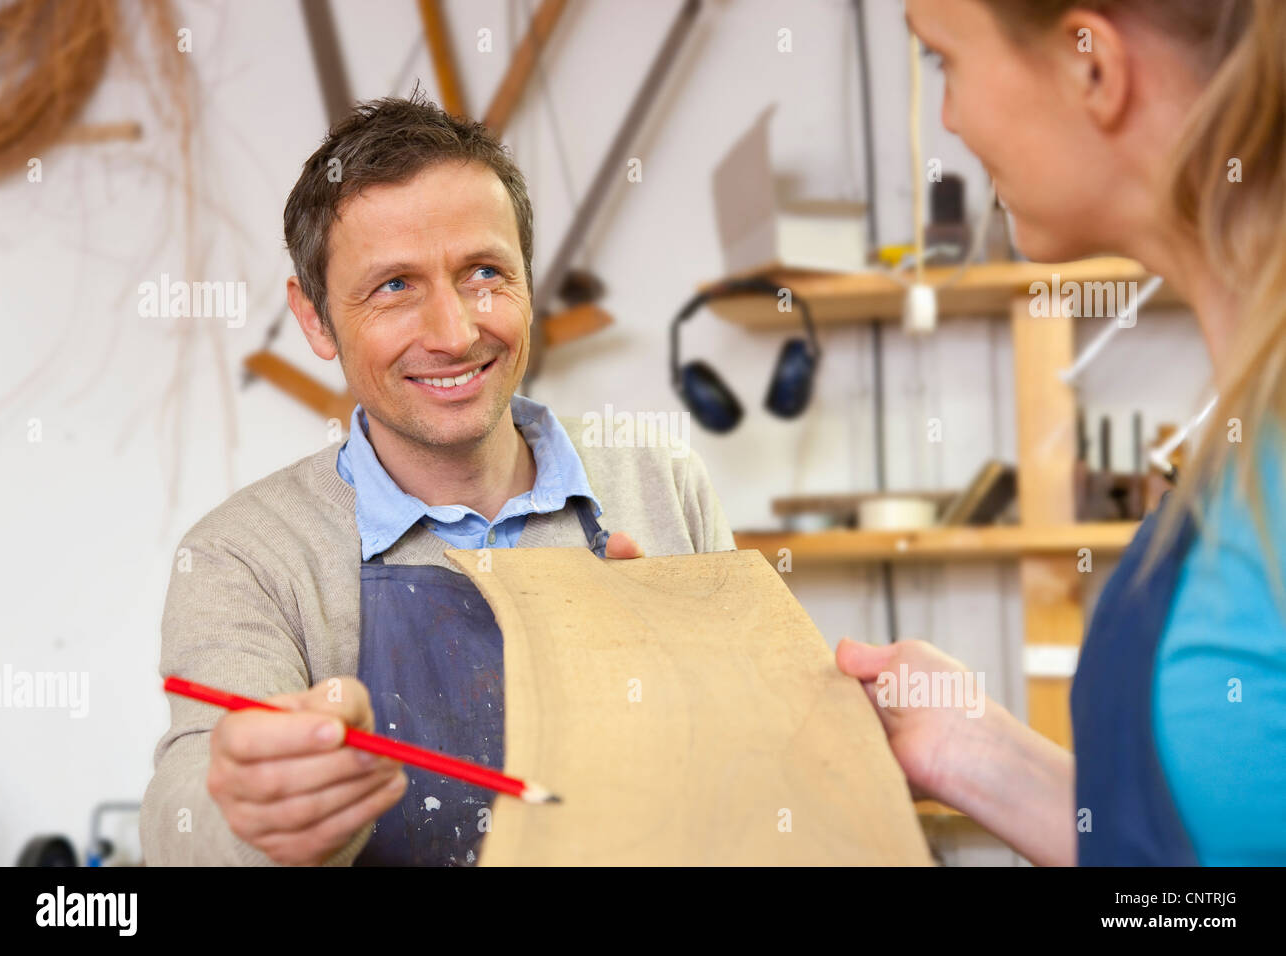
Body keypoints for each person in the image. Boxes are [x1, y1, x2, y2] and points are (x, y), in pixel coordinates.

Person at [140, 94, 734, 867]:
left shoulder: (663, 484)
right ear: (315, 318)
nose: (455, 334)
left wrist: (706, 708)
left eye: (484, 272)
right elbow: (181, 814)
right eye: (394, 286)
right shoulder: (244, 555)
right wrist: (261, 816)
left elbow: (760, 764)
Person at [837, 0, 1286, 865]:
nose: (951, 119)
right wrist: (978, 752)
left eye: (944, 62)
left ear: (1094, 68)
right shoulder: (1242, 430)